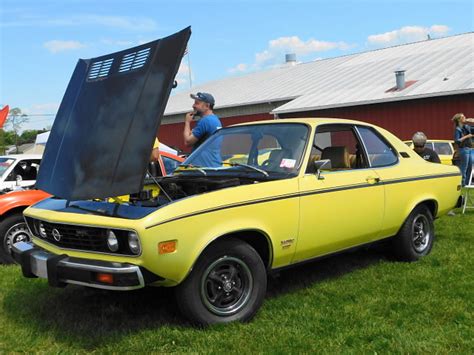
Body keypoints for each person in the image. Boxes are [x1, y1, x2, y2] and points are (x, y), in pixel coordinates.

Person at [183, 92, 222, 167]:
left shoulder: (205, 121)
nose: (193, 106)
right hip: (213, 165)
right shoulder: (215, 120)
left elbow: (187, 142)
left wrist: (187, 122)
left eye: (197, 103)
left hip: (203, 169)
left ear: (207, 106)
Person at [452, 113, 474, 186]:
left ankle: (467, 184)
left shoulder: (466, 126)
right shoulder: (457, 129)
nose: (465, 117)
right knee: (464, 168)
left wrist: (472, 121)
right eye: (463, 117)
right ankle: (462, 184)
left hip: (470, 149)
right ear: (459, 120)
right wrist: (467, 136)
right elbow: (457, 141)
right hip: (463, 149)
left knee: (470, 167)